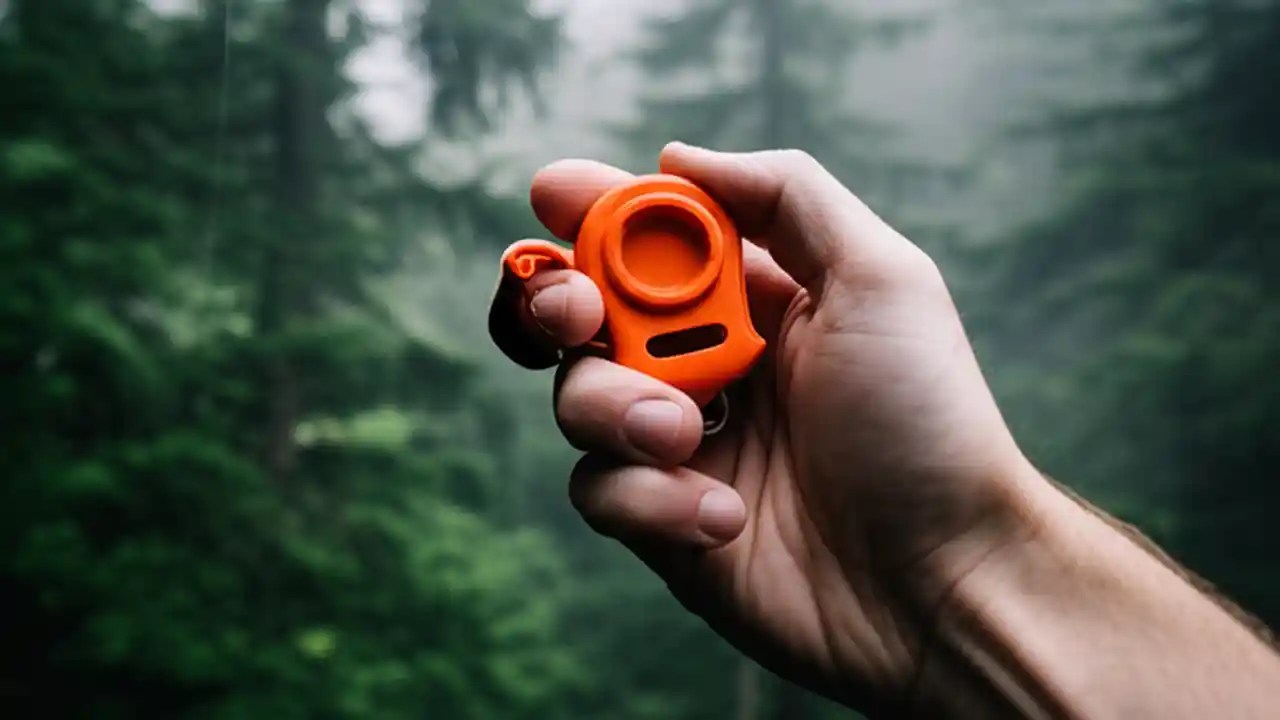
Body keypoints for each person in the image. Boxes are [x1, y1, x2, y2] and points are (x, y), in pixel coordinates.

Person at [488, 143, 1280, 718]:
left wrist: (961, 559)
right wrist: (961, 580)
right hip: (712, 429)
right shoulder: (665, 231)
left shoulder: (706, 236)